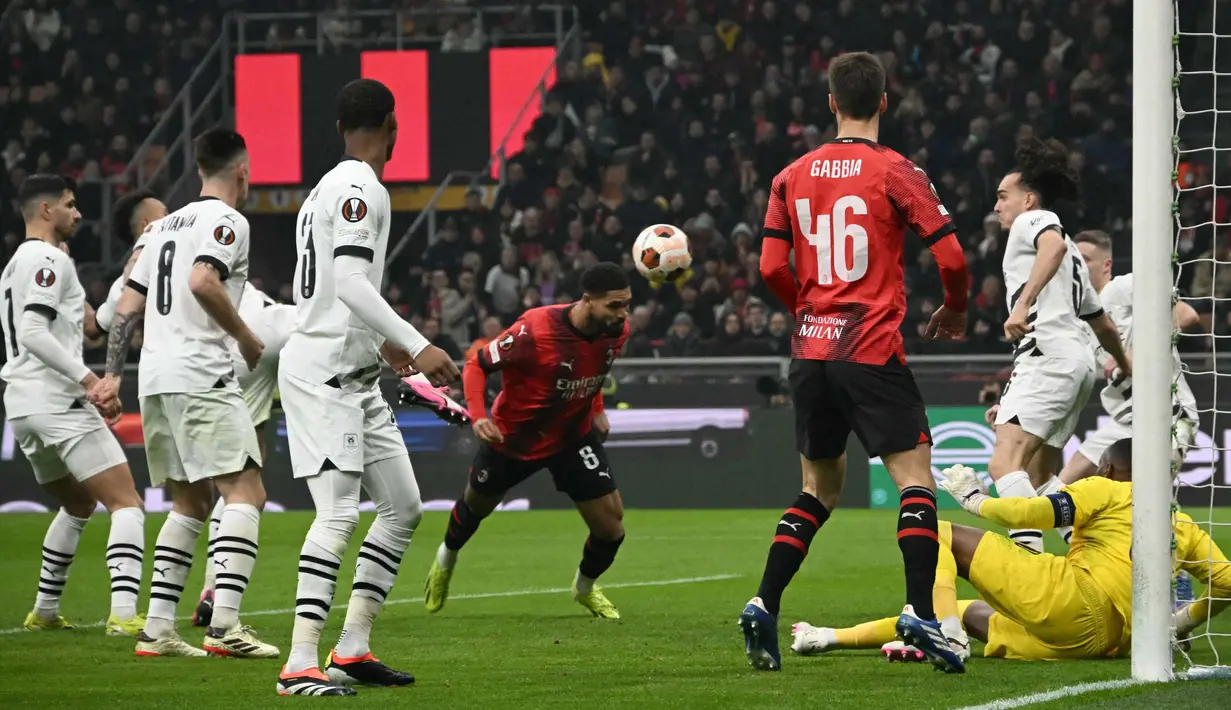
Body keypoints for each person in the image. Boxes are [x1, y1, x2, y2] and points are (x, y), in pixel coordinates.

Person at [747, 51, 971, 673]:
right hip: (870, 349)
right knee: (914, 480)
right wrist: (954, 309)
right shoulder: (897, 171)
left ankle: (763, 604)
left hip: (810, 355)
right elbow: (951, 260)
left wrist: (809, 311)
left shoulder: (791, 174)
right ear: (884, 100)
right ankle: (922, 615)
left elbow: (769, 268)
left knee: (816, 490)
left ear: (830, 103)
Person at [275, 78, 458, 697]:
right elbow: (351, 283)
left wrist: (385, 348)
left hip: (354, 372)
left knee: (402, 507)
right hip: (324, 373)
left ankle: (351, 646)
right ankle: (299, 662)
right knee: (337, 514)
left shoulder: (329, 188)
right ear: (393, 125)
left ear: (338, 127)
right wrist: (419, 343)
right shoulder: (358, 185)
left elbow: (333, 289)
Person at [89, 128, 277, 659]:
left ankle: (158, 630)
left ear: (198, 168)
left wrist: (110, 376)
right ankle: (226, 628)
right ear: (241, 170)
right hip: (202, 372)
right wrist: (244, 336)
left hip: (154, 379)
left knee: (189, 502)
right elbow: (202, 281)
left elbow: (126, 307)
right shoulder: (227, 220)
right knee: (246, 492)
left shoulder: (159, 228)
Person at [793, 439, 1231, 660]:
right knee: (971, 611)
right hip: (1107, 642)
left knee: (936, 532)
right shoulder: (1182, 523)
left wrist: (977, 501)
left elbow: (1032, 513)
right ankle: (827, 637)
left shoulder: (1108, 488)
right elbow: (1227, 583)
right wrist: (1179, 623)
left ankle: (947, 634)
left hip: (1073, 601)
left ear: (1110, 468)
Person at [424, 262, 631, 620]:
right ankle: (446, 558)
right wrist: (480, 416)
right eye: (615, 305)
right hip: (514, 438)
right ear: (587, 301)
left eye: (626, 304)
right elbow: (477, 365)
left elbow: (594, 367)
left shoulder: (616, 330)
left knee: (611, 527)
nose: (623, 313)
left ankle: (584, 589)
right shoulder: (536, 329)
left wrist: (596, 407)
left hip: (571, 435)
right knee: (476, 508)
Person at [0, 174, 147, 637]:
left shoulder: (19, 264)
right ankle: (124, 615)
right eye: (69, 204)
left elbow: (90, 328)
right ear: (46, 210)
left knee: (80, 502)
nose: (78, 212)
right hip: (56, 398)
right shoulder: (47, 258)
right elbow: (34, 334)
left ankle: (44, 610)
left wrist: (127, 281)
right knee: (127, 504)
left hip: (22, 407)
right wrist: (91, 380)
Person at [988, 139, 1131, 553]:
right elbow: (1101, 322)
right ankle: (1102, 552)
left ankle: (1027, 570)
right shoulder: (1072, 263)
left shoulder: (1034, 223)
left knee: (1003, 464)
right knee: (1039, 479)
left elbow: (1049, 243)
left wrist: (1024, 304)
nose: (997, 206)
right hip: (1077, 365)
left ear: (1028, 199)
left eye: (1003, 196)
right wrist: (1124, 362)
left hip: (1048, 358)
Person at [1046, 230, 1200, 516]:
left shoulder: (1124, 287)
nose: (1076, 265)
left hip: (1167, 415)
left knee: (1149, 506)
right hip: (1124, 421)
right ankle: (1091, 551)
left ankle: (1177, 557)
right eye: (1072, 259)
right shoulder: (1078, 321)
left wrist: (1134, 356)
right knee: (1059, 492)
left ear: (1106, 265)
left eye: (1086, 259)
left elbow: (1187, 315)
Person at [192, 280, 298, 627]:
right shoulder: (242, 286)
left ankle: (171, 609)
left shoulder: (171, 257)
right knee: (245, 490)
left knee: (202, 496)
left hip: (190, 363)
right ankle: (220, 604)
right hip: (257, 336)